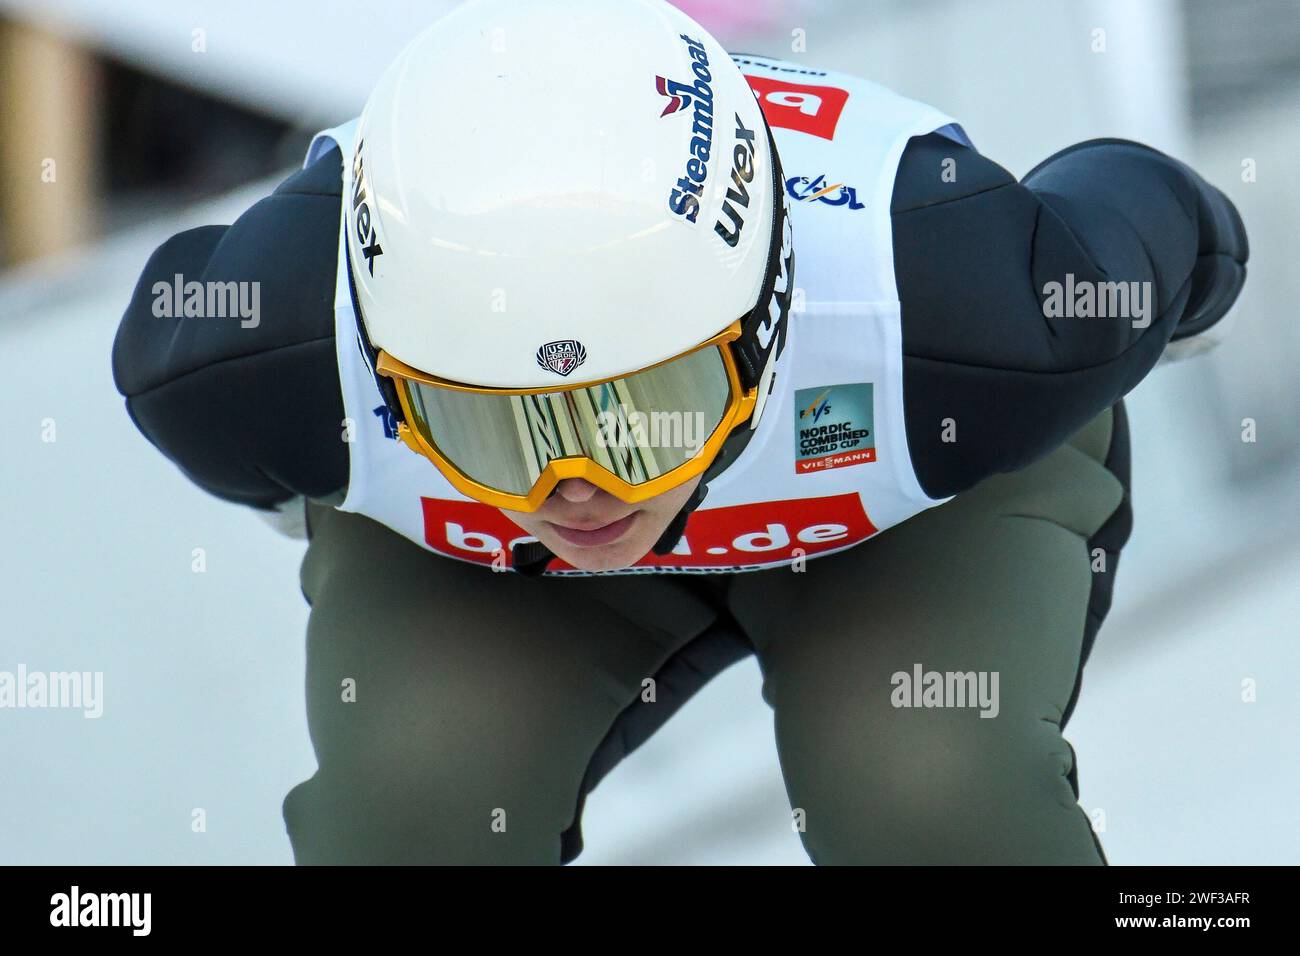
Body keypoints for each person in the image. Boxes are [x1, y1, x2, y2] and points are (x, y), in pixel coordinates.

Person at [112, 0, 1248, 864]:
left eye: (640, 412)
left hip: (905, 520)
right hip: (522, 569)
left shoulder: (973, 302)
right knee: (405, 817)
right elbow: (1156, 205)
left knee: (932, 796)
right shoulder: (257, 356)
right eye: (491, 419)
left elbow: (1141, 220)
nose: (582, 493)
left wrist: (1175, 291)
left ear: (766, 322)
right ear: (383, 371)